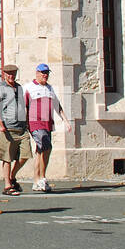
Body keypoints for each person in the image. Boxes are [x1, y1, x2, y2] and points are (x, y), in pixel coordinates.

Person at [24, 63, 73, 192]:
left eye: (47, 73)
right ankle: (41, 178)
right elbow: (23, 106)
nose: (45, 75)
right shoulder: (29, 87)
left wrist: (66, 121)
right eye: (43, 72)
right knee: (45, 146)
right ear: (37, 73)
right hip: (35, 123)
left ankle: (37, 180)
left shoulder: (50, 88)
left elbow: (58, 106)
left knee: (42, 150)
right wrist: (23, 123)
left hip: (47, 124)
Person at [0, 64, 31, 195]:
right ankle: (7, 185)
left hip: (21, 128)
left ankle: (12, 176)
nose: (11, 76)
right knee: (7, 158)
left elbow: (22, 106)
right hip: (7, 128)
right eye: (9, 74)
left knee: (25, 155)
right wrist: (0, 124)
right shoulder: (0, 88)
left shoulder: (19, 88)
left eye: (13, 73)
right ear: (4, 74)